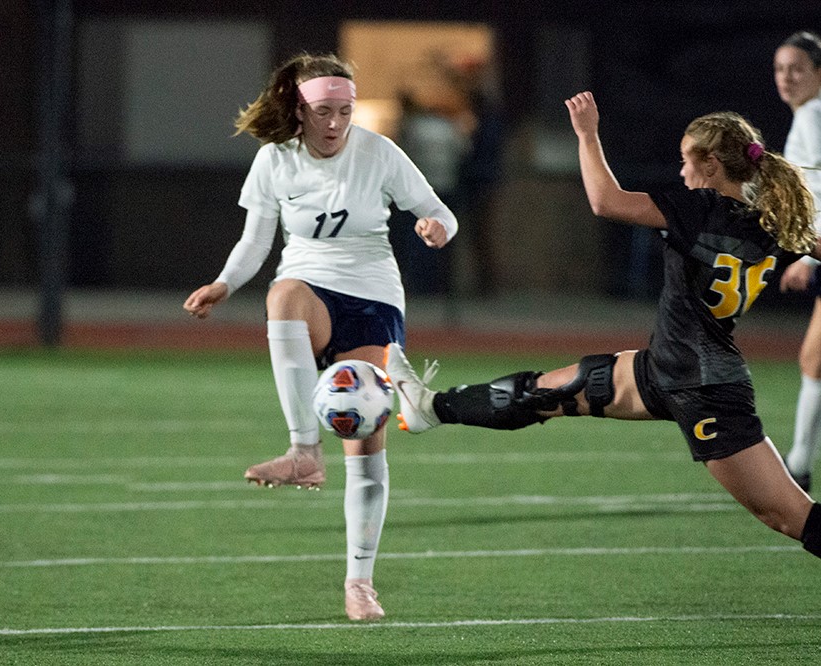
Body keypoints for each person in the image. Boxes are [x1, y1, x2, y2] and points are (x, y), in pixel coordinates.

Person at [384, 91, 821, 561]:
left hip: (705, 387)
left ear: (711, 164)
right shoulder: (772, 225)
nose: (681, 172)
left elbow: (605, 201)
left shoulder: (701, 210)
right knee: (546, 393)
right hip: (666, 370)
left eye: (685, 161)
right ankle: (432, 406)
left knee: (789, 516)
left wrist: (588, 134)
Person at [183, 53, 457, 620]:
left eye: (346, 111)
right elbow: (257, 240)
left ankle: (360, 582)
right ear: (300, 111)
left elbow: (440, 211)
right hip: (311, 290)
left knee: (366, 443)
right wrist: (224, 283)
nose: (335, 123)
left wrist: (435, 227)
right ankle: (304, 451)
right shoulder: (275, 160)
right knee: (282, 295)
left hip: (373, 303)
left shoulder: (379, 153)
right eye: (324, 111)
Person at [775, 31, 821, 493]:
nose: (786, 78)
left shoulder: (812, 117)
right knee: (815, 360)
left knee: (814, 359)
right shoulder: (809, 117)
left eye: (797, 69)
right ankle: (798, 464)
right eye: (779, 69)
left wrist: (808, 256)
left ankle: (797, 467)